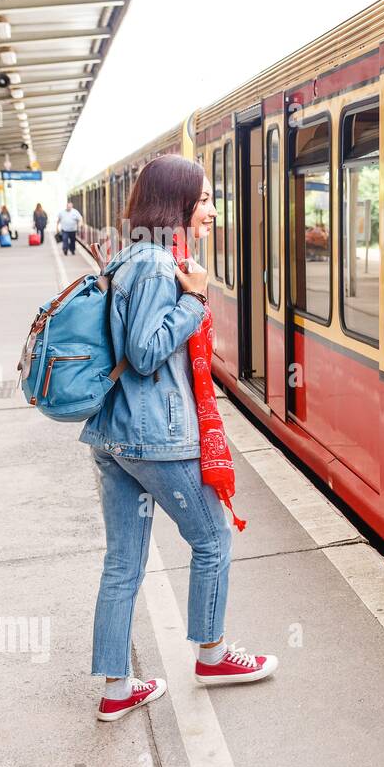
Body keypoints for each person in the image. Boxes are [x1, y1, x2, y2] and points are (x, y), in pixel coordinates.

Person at [80, 154, 274, 722]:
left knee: (123, 561)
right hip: (153, 435)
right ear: (179, 205)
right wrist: (194, 300)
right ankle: (212, 655)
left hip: (112, 433)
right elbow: (143, 353)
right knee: (213, 539)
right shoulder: (159, 267)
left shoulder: (127, 257)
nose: (213, 209)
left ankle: (117, 689)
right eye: (206, 199)